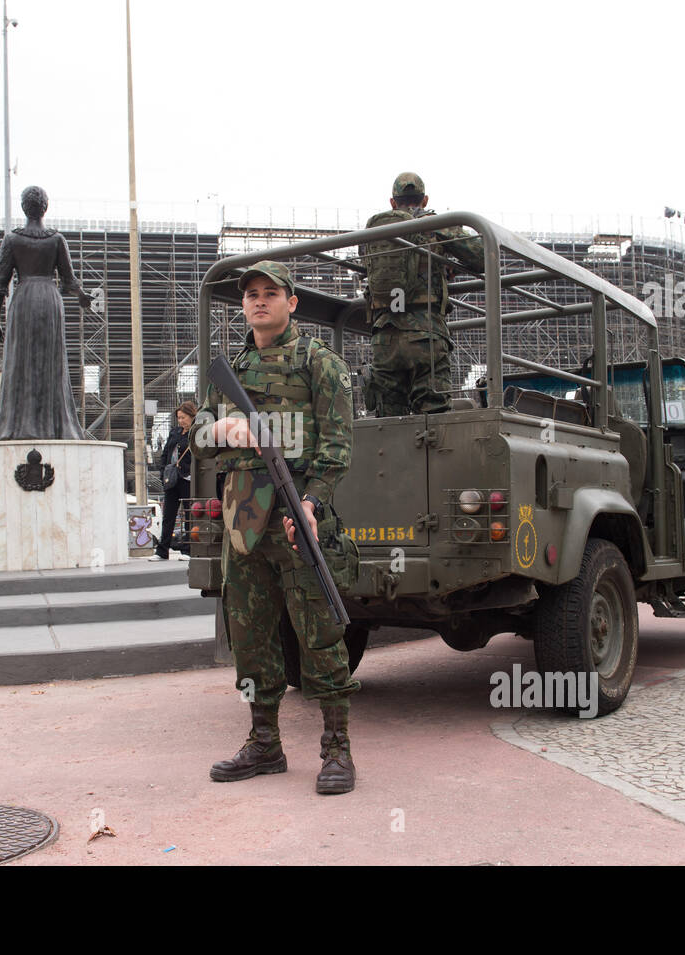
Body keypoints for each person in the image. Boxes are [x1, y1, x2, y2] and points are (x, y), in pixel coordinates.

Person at [192, 261, 360, 795]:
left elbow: (337, 448)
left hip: (296, 515)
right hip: (244, 520)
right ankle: (264, 743)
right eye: (251, 295)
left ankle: (337, 750)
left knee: (320, 632)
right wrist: (221, 427)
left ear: (292, 303)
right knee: (249, 636)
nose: (259, 301)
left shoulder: (320, 363)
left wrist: (311, 503)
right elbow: (197, 437)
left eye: (271, 293)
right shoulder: (233, 367)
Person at [359, 172, 484, 417]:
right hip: (426, 334)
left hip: (384, 336)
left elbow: (369, 269)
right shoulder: (435, 224)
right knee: (433, 417)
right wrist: (445, 264)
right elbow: (480, 256)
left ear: (393, 203)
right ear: (425, 200)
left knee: (389, 420)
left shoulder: (376, 231)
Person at [0, 185, 94, 440]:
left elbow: (0, 285)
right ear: (45, 207)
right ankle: (56, 426)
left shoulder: (12, 239)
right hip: (48, 299)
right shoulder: (56, 239)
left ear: (24, 208)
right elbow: (70, 282)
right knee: (51, 364)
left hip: (23, 299)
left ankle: (16, 426)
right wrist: (82, 298)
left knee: (20, 362)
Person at [151, 401, 196, 561]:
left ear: (192, 416)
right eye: (179, 418)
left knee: (188, 515)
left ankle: (188, 550)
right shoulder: (174, 432)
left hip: (187, 478)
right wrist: (163, 473)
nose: (181, 421)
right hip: (172, 478)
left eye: (184, 417)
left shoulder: (196, 433)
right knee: (168, 515)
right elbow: (165, 453)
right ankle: (162, 551)